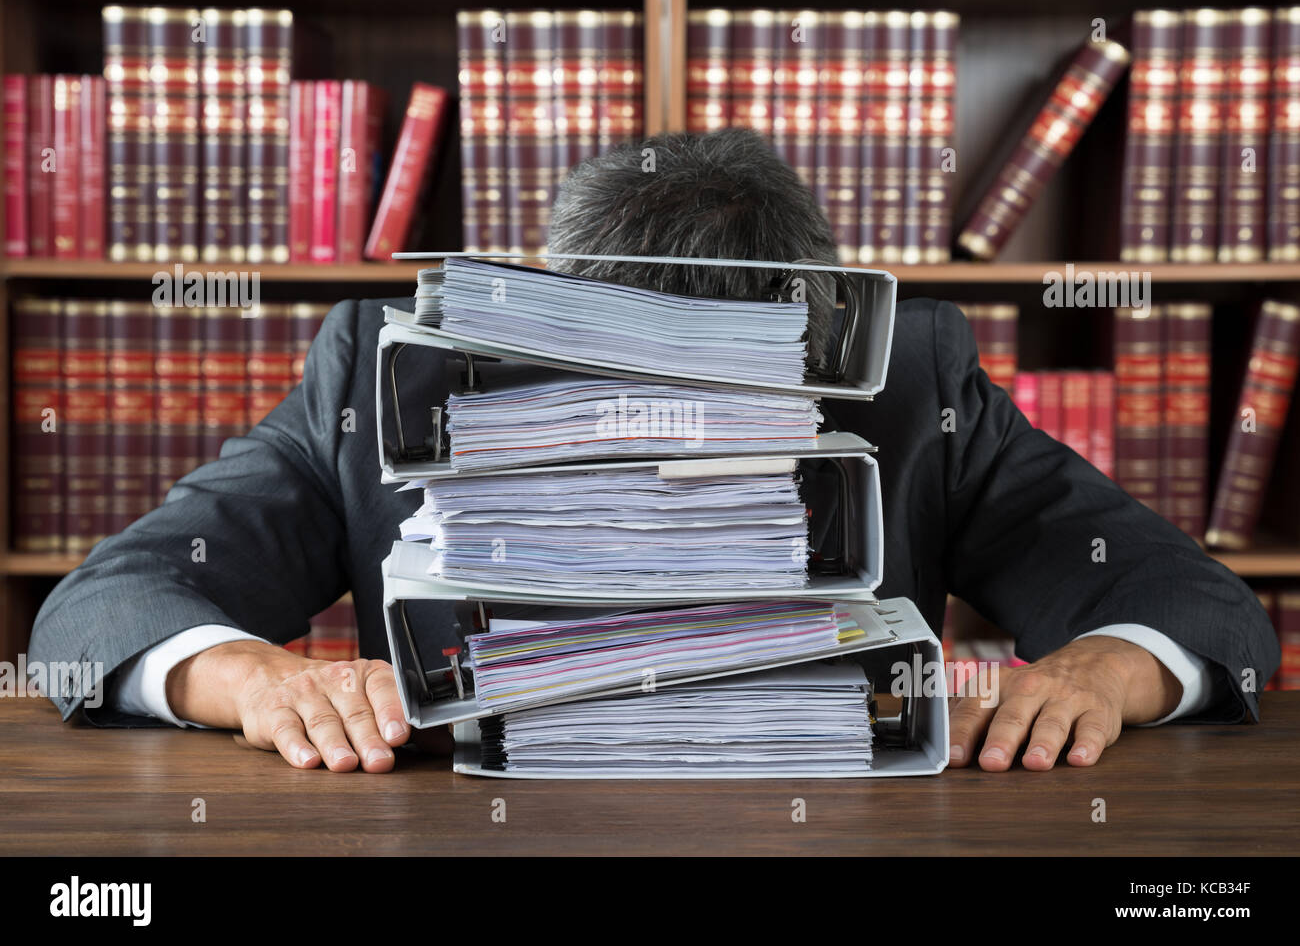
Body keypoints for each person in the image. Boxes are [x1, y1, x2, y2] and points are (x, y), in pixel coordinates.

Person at [29, 129, 1279, 774]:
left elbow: (1187, 599)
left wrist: (1104, 674)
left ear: (812, 335)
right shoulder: (390, 382)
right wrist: (256, 681)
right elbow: (104, 607)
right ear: (542, 319)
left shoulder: (912, 383)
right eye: (614, 370)